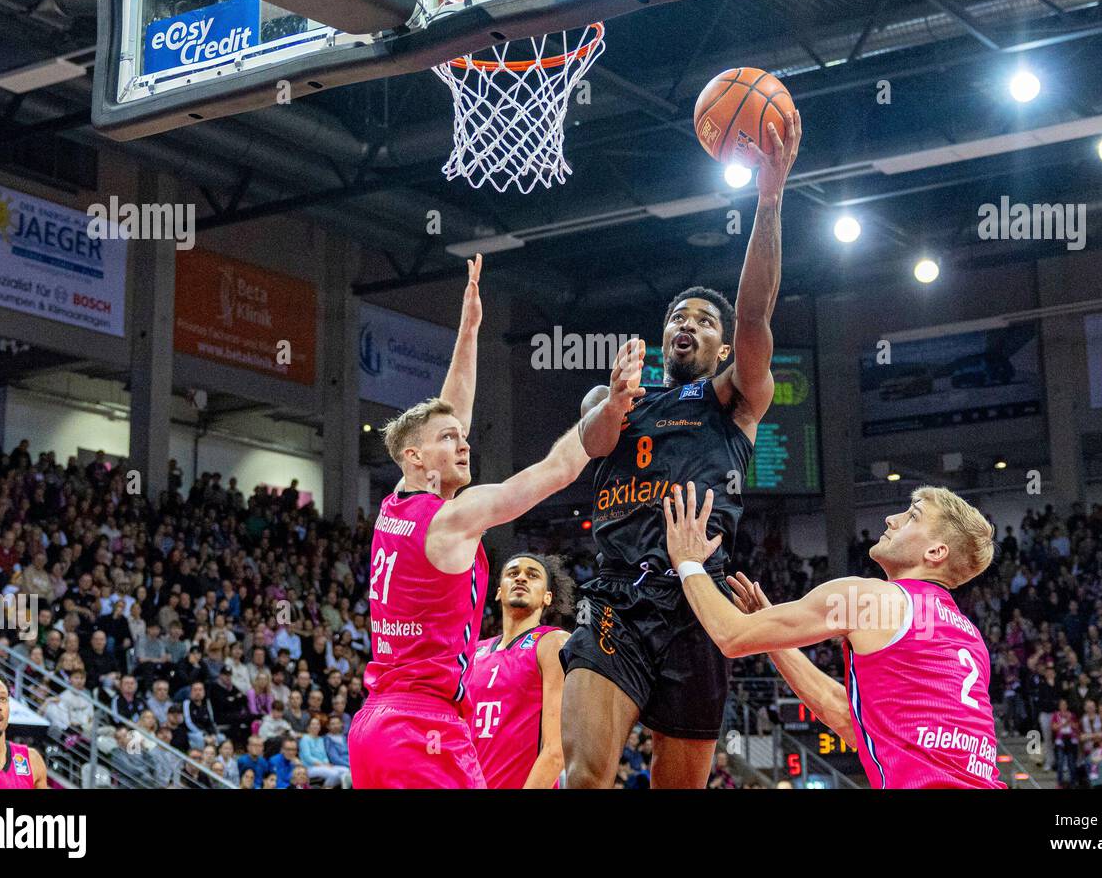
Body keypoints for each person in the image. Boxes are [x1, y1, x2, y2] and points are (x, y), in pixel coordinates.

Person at [559, 111, 801, 789]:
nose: (685, 325)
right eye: (676, 318)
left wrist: (770, 199)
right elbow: (596, 441)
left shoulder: (735, 401)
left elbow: (755, 312)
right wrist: (611, 403)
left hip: (700, 603)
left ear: (723, 347)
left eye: (701, 321)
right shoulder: (619, 398)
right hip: (615, 595)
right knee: (584, 776)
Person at [348, 255, 616, 789]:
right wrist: (605, 418)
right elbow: (555, 471)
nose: (463, 441)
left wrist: (468, 330)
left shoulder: (396, 505)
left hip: (376, 726)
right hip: (423, 728)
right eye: (450, 441)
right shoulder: (452, 520)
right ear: (414, 457)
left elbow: (448, 412)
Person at [665, 483, 1005, 788]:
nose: (891, 518)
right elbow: (848, 718)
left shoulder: (871, 599)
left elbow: (730, 635)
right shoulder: (969, 636)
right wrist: (773, 642)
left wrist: (689, 563)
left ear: (935, 552)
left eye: (912, 515)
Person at [468, 553, 573, 788]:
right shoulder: (474, 652)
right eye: (513, 574)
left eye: (532, 575)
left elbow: (556, 751)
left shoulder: (552, 642)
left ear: (547, 597)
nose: (521, 579)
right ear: (498, 591)